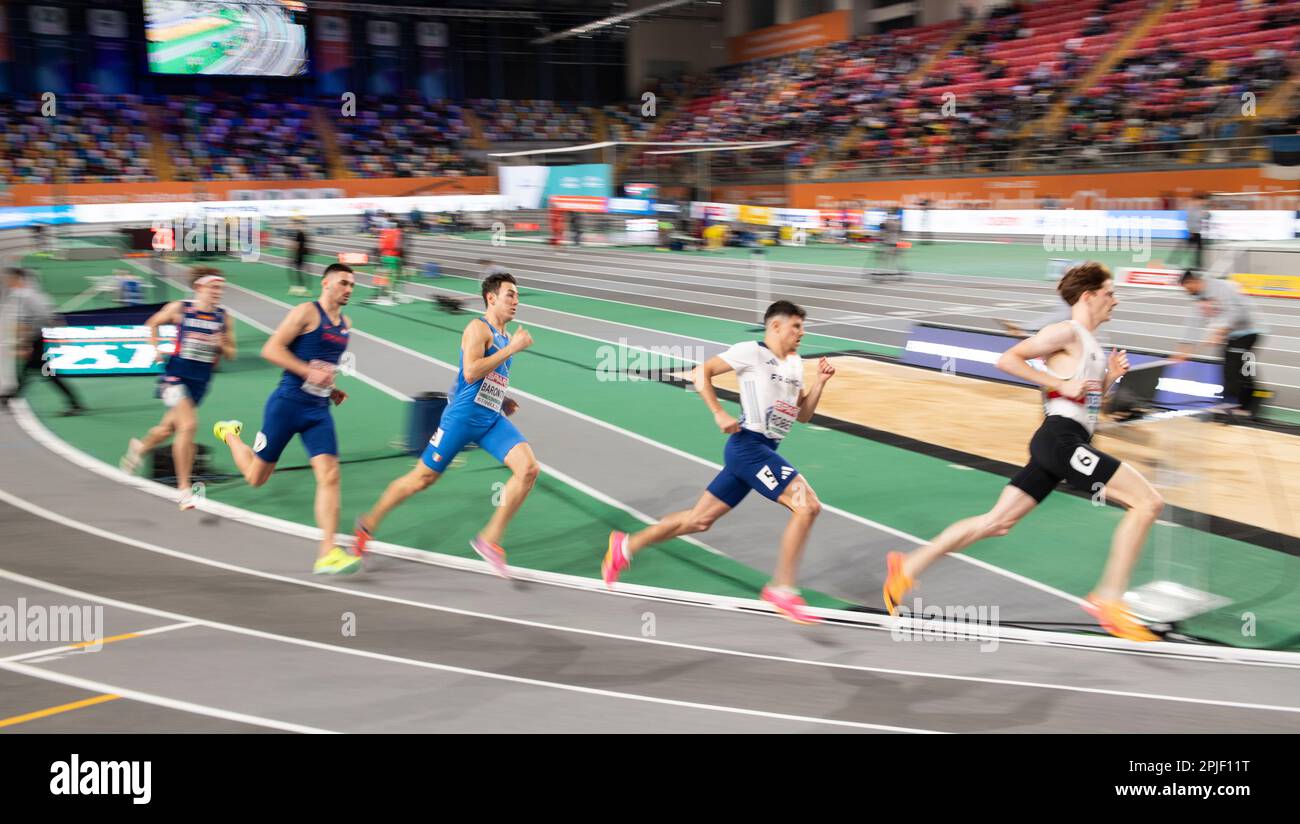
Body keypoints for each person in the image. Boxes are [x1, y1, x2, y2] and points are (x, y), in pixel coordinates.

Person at [882, 262, 1165, 642]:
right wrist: (1056, 384)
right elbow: (1008, 359)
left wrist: (1109, 379)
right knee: (1148, 503)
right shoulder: (1066, 332)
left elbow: (1090, 404)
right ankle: (1108, 599)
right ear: (1088, 296)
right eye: (1110, 292)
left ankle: (907, 567)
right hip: (1060, 440)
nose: (1116, 300)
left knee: (997, 522)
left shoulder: (1092, 346)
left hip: (1066, 441)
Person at [602, 300, 836, 625]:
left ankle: (626, 545)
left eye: (802, 326)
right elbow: (700, 373)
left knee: (698, 521)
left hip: (761, 450)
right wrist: (718, 412)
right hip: (748, 446)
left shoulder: (796, 364)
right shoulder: (750, 352)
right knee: (807, 506)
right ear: (776, 327)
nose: (802, 332)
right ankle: (781, 590)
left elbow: (805, 415)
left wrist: (820, 383)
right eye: (796, 326)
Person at [353, 271, 539, 576]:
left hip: (491, 419)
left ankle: (489, 540)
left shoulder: (505, 335)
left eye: (517, 295)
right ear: (491, 298)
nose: (516, 300)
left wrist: (502, 399)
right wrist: (512, 349)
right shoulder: (477, 329)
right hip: (462, 419)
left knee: (529, 469)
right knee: (422, 479)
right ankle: (367, 525)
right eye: (510, 294)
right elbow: (470, 372)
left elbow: (487, 377)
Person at [211, 263, 359, 575]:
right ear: (326, 283)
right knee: (256, 478)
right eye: (343, 283)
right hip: (287, 405)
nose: (348, 290)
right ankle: (229, 434)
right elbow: (271, 349)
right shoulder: (306, 312)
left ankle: (327, 552)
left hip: (318, 411)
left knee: (330, 475)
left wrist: (331, 389)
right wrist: (309, 373)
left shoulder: (346, 323)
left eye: (352, 286)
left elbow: (323, 366)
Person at [121, 268, 236, 509]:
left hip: (200, 382)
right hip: (174, 376)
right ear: (199, 288)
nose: (218, 292)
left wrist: (222, 345)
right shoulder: (181, 309)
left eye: (221, 288)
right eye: (214, 287)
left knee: (166, 430)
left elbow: (231, 355)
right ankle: (184, 489)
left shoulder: (224, 317)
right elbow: (151, 324)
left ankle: (139, 448)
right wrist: (155, 349)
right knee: (189, 426)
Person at [1174, 270, 1264, 417]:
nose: (1186, 291)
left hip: (1248, 330)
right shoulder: (1200, 297)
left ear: (1192, 281)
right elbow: (1193, 322)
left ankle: (1234, 404)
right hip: (1233, 334)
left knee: (1233, 367)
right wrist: (1183, 349)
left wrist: (1220, 331)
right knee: (1236, 366)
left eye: (1187, 288)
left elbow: (1235, 310)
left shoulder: (1219, 287)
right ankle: (1248, 402)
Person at [0, 267, 85, 415]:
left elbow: (24, 323)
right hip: (42, 338)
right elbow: (53, 317)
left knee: (44, 373)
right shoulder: (39, 295)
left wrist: (22, 344)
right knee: (35, 372)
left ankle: (75, 404)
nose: (6, 281)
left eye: (8, 278)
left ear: (17, 279)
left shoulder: (22, 296)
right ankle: (8, 398)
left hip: (37, 339)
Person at [289, 219, 310, 297]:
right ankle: (302, 287)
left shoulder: (300, 233)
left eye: (297, 224)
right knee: (300, 271)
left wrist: (292, 253)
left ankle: (302, 287)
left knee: (299, 271)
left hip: (299, 254)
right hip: (303, 254)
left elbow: (296, 245)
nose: (295, 226)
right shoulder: (304, 233)